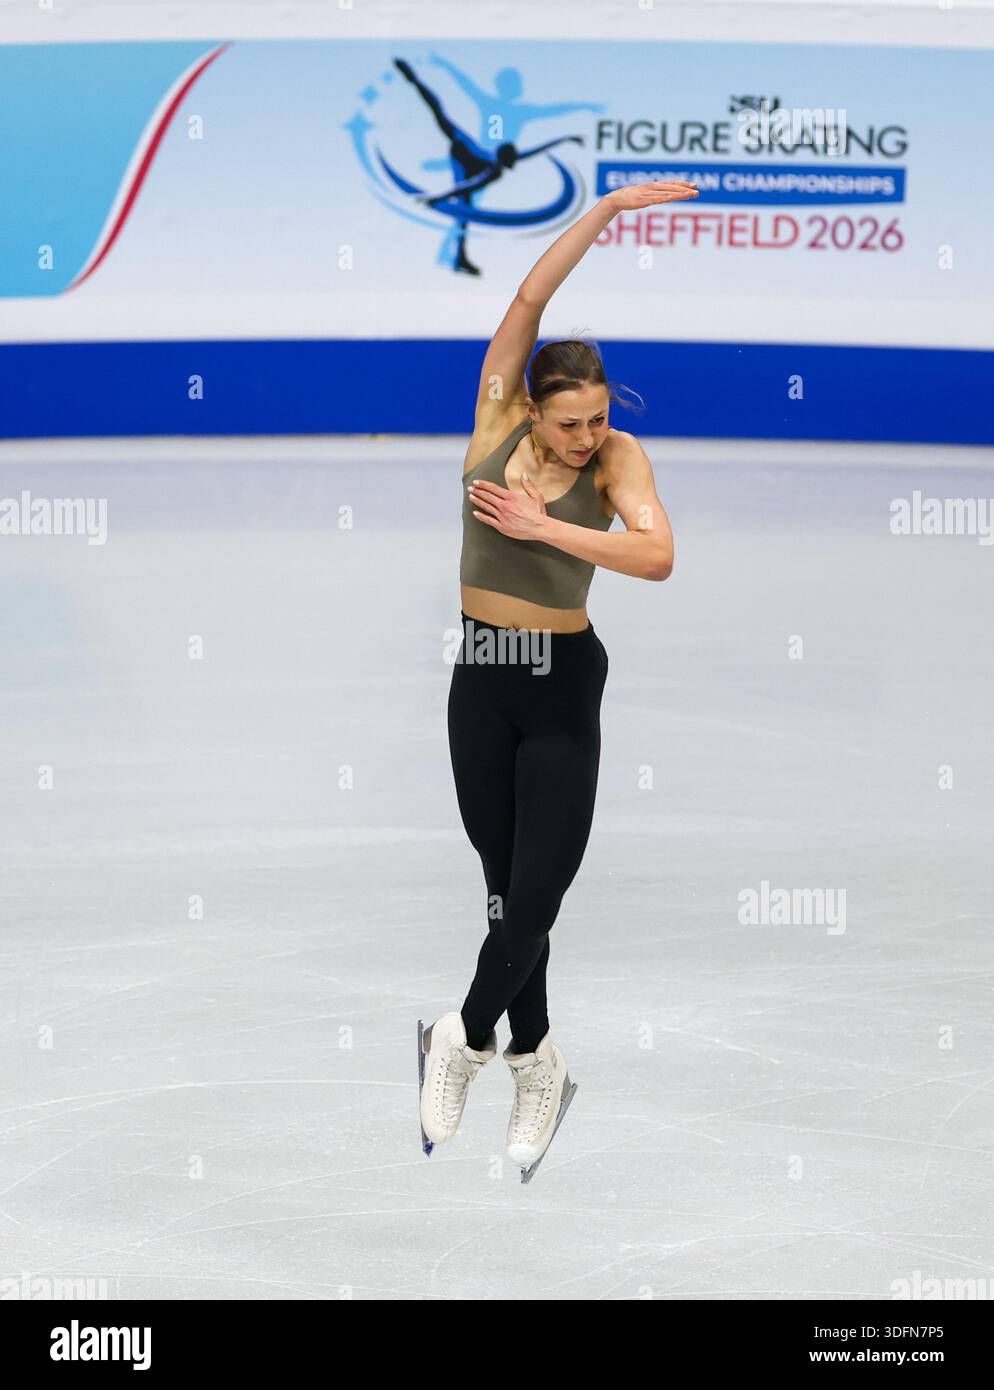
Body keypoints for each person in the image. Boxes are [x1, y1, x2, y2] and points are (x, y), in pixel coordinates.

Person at [419, 177, 698, 1176]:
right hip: (481, 672)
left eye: (597, 417)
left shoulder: (618, 458)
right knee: (503, 891)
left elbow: (657, 556)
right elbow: (528, 302)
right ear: (530, 407)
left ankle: (457, 1034)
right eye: (569, 421)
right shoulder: (497, 415)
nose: (586, 434)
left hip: (561, 678)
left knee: (540, 890)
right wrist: (604, 213)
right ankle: (537, 1059)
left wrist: (547, 525)